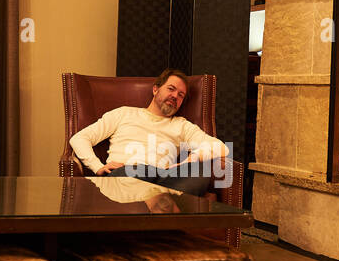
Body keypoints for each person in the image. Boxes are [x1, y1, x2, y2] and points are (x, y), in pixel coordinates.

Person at [68, 69, 231, 197]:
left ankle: (157, 207)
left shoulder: (182, 125)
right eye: (171, 89)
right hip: (130, 172)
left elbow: (221, 147)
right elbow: (79, 138)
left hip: (166, 178)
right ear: (155, 90)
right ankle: (163, 209)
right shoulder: (124, 113)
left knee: (199, 171)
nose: (175, 96)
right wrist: (98, 167)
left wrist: (191, 159)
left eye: (180, 95)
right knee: (135, 175)